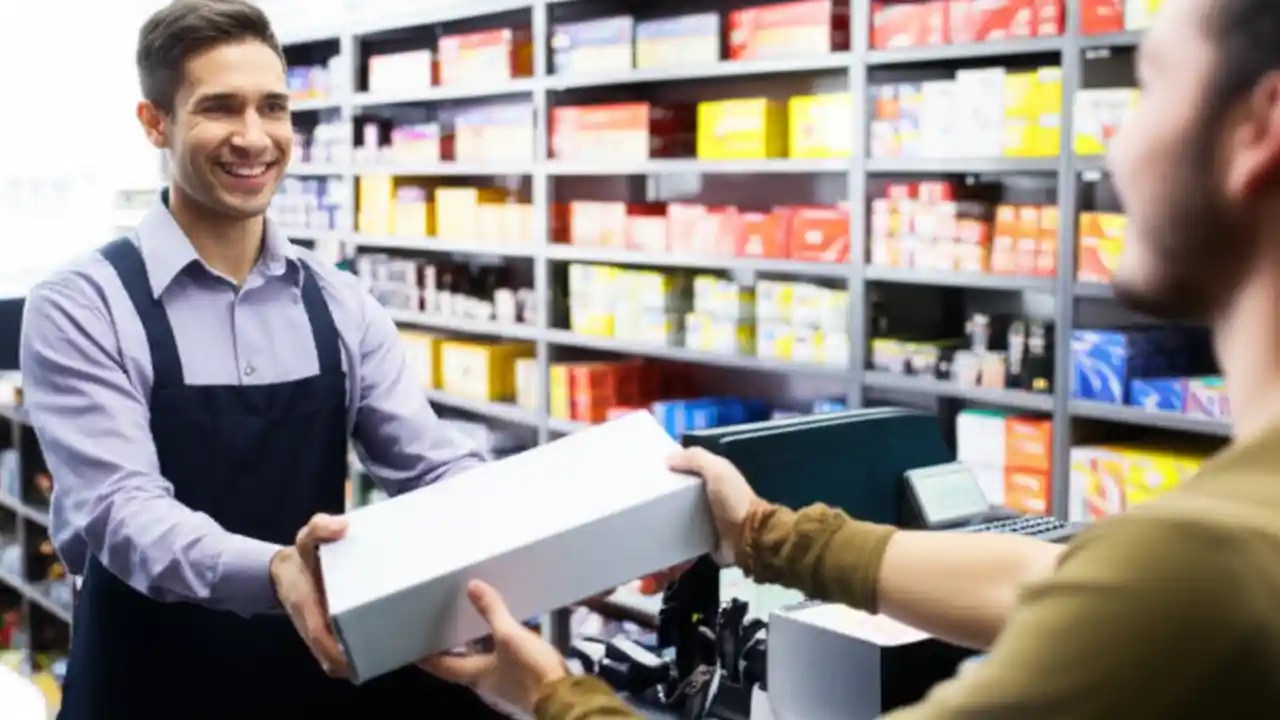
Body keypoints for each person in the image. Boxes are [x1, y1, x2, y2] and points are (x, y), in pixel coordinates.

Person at [420, 0, 1280, 717]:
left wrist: (552, 695)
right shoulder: (1222, 534)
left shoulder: (1202, 566)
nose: (1115, 149)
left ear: (1262, 127)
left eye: (1150, 87)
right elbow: (1054, 580)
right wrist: (765, 535)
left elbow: (1145, 592)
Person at [18, 1, 508, 717]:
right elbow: (123, 512)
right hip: (148, 685)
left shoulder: (340, 302)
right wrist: (278, 568)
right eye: (220, 108)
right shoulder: (80, 305)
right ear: (155, 123)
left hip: (319, 675)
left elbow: (429, 462)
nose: (255, 138)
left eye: (272, 108)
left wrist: (534, 524)